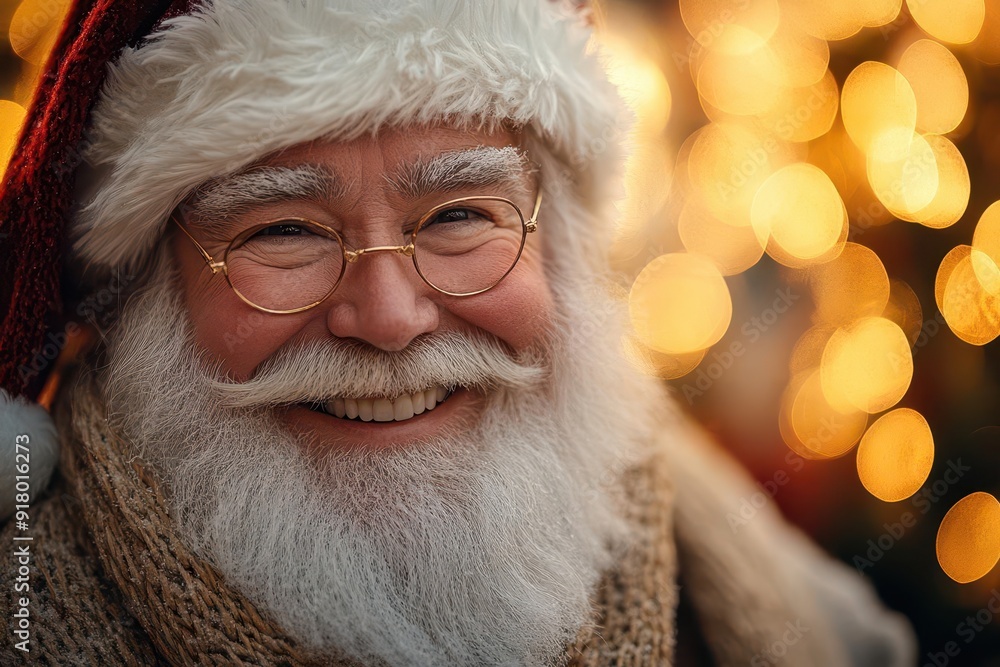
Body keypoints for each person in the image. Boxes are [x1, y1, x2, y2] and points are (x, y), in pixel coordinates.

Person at [0, 1, 916, 664]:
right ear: (140, 299)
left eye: (458, 216)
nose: (391, 320)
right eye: (280, 231)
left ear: (559, 251)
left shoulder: (715, 537)